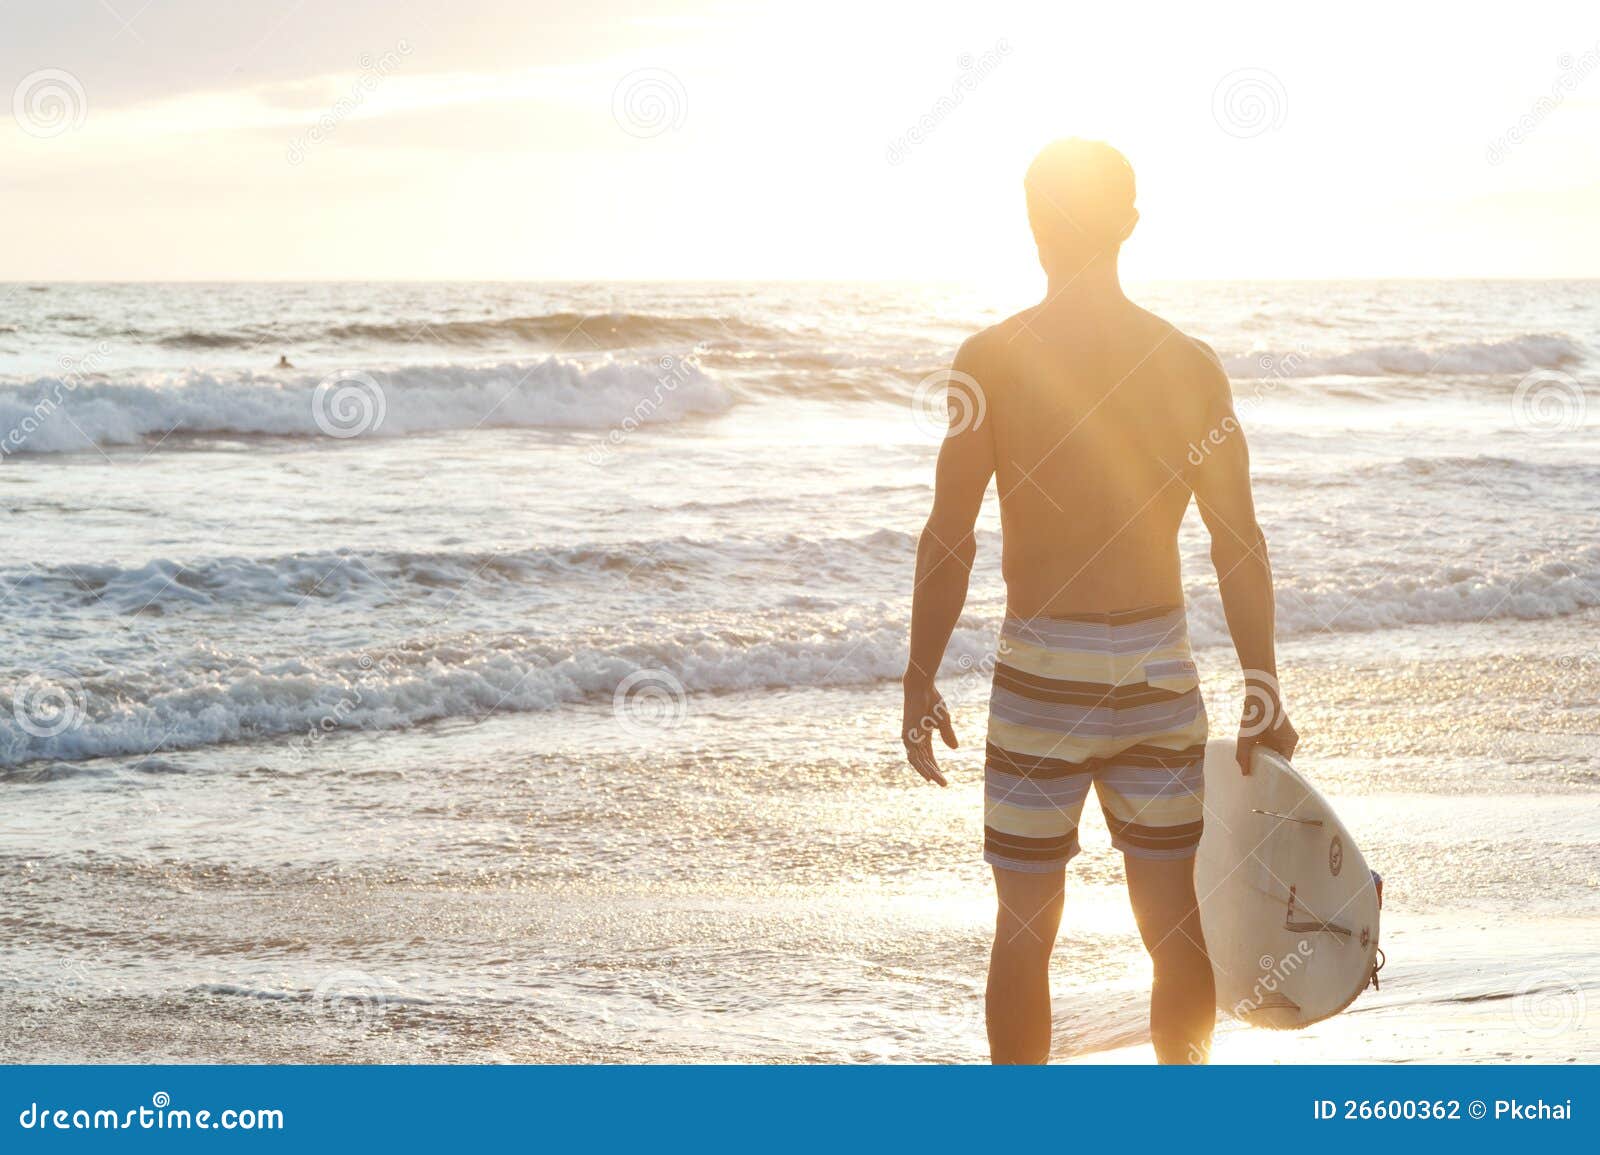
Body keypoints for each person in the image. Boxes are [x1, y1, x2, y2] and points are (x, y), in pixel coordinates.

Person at [899, 138, 1298, 1064]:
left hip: (1039, 672)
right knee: (1173, 926)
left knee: (1025, 930)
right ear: (1130, 224)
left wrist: (920, 674)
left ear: (1034, 227)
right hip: (1159, 668)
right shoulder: (1189, 364)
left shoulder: (988, 359)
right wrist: (1262, 681)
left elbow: (948, 532)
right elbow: (1237, 538)